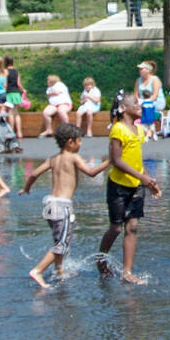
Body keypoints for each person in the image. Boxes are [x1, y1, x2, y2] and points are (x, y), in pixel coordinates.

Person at [20, 122, 110, 289]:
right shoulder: (74, 157)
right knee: (62, 244)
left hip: (49, 204)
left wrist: (26, 188)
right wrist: (110, 161)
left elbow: (33, 174)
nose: (81, 144)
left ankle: (59, 269)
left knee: (59, 239)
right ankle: (38, 271)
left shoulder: (53, 159)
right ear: (70, 142)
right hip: (62, 207)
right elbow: (91, 173)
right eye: (79, 141)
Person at [99, 94, 162, 283]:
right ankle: (101, 260)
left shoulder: (139, 129)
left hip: (136, 186)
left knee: (132, 227)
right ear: (123, 108)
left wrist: (148, 181)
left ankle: (127, 272)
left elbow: (136, 160)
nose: (139, 105)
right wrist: (142, 177)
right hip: (118, 186)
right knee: (116, 228)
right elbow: (116, 161)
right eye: (135, 103)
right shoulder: (118, 129)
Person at [137, 62, 163, 140]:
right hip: (142, 102)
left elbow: (155, 96)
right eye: (139, 69)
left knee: (147, 109)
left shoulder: (155, 79)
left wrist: (143, 102)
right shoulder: (138, 80)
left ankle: (148, 132)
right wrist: (138, 102)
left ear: (148, 70)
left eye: (142, 69)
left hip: (156, 102)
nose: (140, 70)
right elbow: (136, 94)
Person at [3, 55, 26, 140]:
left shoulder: (5, 71)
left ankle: (11, 131)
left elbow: (5, 84)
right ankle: (19, 132)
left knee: (10, 113)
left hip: (9, 93)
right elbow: (18, 84)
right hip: (16, 93)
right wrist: (23, 90)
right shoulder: (16, 71)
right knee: (16, 113)